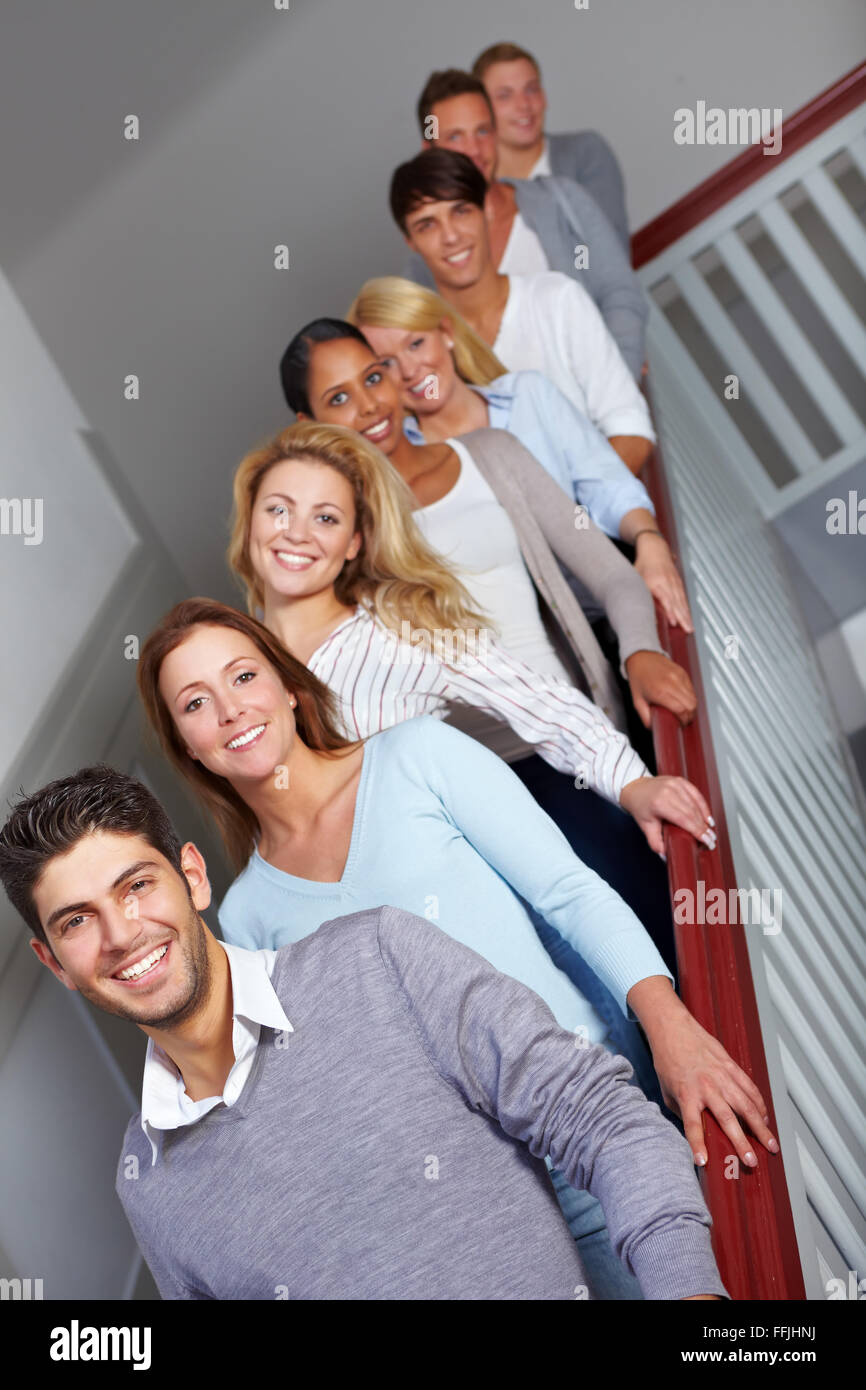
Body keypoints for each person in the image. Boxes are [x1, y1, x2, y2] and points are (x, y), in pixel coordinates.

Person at [0, 766, 730, 1301]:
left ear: (192, 877)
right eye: (76, 921)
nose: (122, 934)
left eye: (136, 887)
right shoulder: (147, 1181)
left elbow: (606, 1122)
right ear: (54, 962)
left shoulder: (377, 959)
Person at [347, 275, 693, 635]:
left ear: (446, 332)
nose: (409, 370)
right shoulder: (400, 471)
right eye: (385, 364)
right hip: (524, 645)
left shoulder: (529, 395)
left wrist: (648, 541)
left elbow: (605, 485)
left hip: (608, 602)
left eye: (416, 343)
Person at [390, 148, 653, 476]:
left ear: (487, 210)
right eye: (427, 224)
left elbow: (629, 427)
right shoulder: (420, 355)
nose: (451, 236)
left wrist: (578, 521)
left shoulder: (557, 300)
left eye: (460, 211)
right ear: (410, 242)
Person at [405, 68, 646, 379]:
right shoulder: (422, 269)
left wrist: (620, 381)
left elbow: (620, 292)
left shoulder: (562, 200)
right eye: (455, 137)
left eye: (482, 131)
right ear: (429, 151)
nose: (474, 150)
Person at [472, 41, 630, 252]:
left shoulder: (585, 152)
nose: (524, 105)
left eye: (531, 89)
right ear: (481, 110)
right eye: (505, 95)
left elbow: (610, 252)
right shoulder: (477, 192)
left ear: (544, 97)